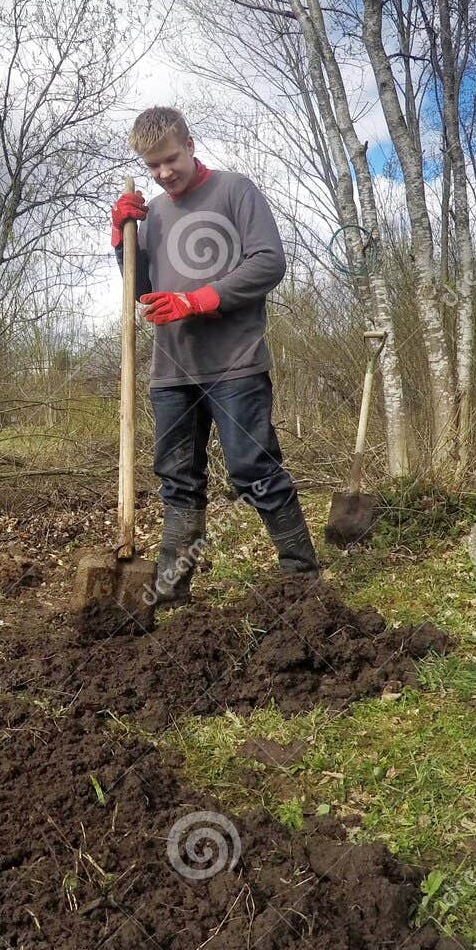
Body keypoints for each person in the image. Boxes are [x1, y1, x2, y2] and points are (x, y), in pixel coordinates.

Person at [110, 106, 318, 603]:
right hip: (171, 373)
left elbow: (269, 262)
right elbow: (140, 291)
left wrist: (198, 299)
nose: (163, 174)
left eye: (170, 160)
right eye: (152, 166)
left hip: (236, 364)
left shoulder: (234, 190)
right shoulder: (153, 214)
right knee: (178, 481)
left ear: (189, 143)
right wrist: (122, 241)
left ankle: (301, 578)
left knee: (253, 469)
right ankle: (173, 590)